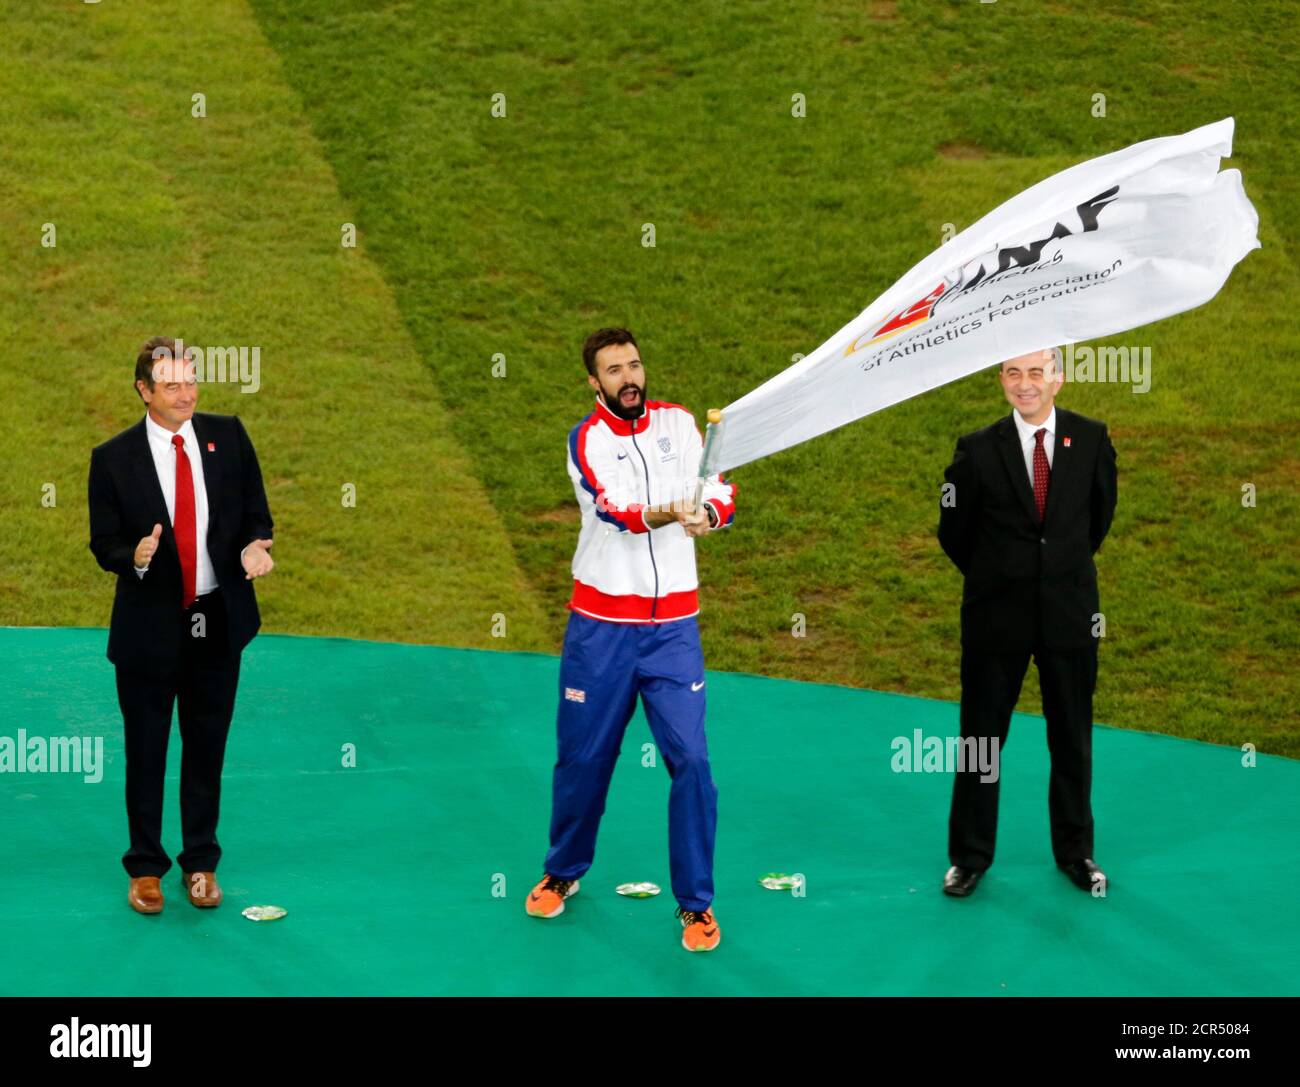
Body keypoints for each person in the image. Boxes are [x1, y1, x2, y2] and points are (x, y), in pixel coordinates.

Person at [525, 327, 737, 952]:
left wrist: (712, 513)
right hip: (601, 632)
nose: (629, 378)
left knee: (693, 761)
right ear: (594, 382)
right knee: (584, 759)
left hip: (673, 630)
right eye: (614, 370)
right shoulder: (585, 439)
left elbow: (719, 483)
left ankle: (696, 904)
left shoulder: (681, 424)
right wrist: (678, 511)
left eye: (635, 365)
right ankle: (563, 872)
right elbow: (615, 511)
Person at [88, 337, 274, 914]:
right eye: (172, 385)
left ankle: (200, 863)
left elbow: (255, 515)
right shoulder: (113, 458)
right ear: (144, 391)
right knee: (147, 751)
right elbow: (105, 543)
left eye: (191, 380)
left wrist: (253, 549)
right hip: (149, 632)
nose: (187, 392)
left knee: (206, 749)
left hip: (217, 625)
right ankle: (145, 868)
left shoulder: (229, 436)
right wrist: (138, 556)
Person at [938, 346, 1117, 898]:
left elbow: (1099, 517)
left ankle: (1076, 853)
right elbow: (953, 529)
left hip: (1069, 616)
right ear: (1000, 380)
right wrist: (1003, 575)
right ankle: (969, 857)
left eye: (1036, 372)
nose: (1025, 383)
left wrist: (1053, 572)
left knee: (1071, 738)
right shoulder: (975, 450)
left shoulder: (1090, 439)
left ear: (1057, 379)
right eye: (1014, 372)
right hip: (996, 618)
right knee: (981, 742)